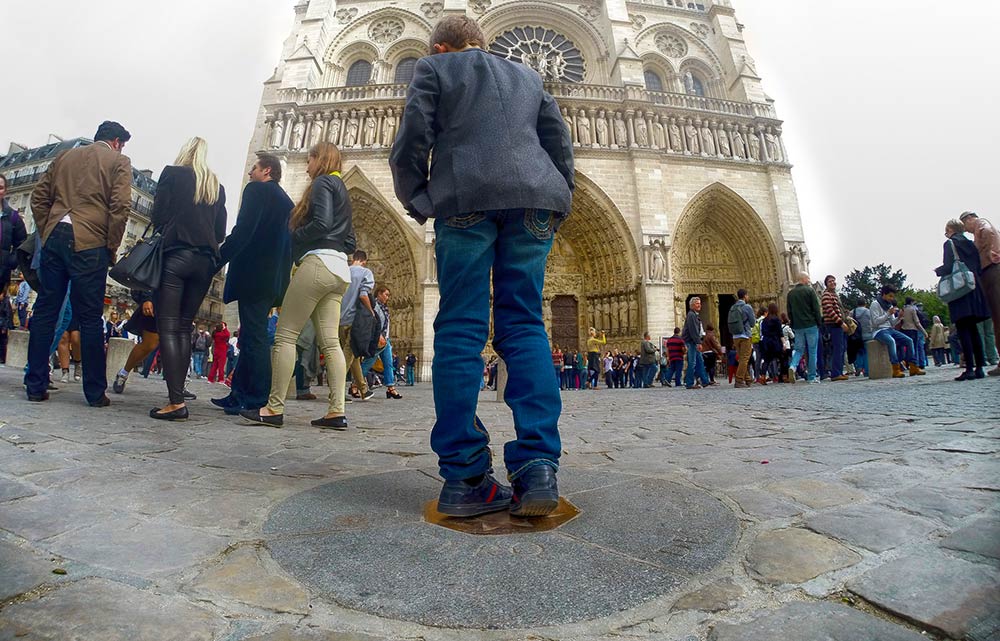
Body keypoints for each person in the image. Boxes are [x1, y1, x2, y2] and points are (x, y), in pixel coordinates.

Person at [390, 15, 574, 517]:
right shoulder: (529, 76)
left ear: (443, 46)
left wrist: (419, 199)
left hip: (465, 197)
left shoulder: (435, 68)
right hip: (535, 201)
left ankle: (466, 476)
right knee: (525, 325)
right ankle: (537, 465)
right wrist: (559, 197)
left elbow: (412, 140)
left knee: (460, 329)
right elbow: (559, 143)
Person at [241, 142, 356, 428]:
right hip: (341, 270)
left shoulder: (322, 184)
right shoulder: (343, 191)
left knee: (285, 336)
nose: (306, 166)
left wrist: (294, 237)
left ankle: (273, 408)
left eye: (309, 160)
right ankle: (336, 411)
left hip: (317, 264)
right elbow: (351, 241)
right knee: (331, 343)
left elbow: (321, 223)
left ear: (320, 160)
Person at [25, 121, 132, 405]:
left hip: (56, 235)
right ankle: (95, 392)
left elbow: (38, 197)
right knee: (89, 318)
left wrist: (47, 227)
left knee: (46, 310)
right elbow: (120, 206)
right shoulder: (119, 161)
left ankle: (35, 384)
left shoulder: (66, 156)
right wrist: (110, 244)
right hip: (91, 242)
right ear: (118, 142)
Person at [149, 138, 227, 420]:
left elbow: (158, 216)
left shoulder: (173, 173)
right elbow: (219, 232)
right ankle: (177, 394)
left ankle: (175, 401)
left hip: (177, 255)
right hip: (205, 264)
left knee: (168, 328)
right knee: (183, 328)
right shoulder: (216, 186)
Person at [212, 153, 293, 415]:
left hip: (254, 275)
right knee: (249, 335)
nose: (249, 173)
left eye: (254, 169)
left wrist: (218, 258)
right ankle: (238, 394)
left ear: (266, 170)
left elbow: (244, 230)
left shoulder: (256, 190)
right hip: (272, 280)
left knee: (255, 337)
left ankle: (257, 397)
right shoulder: (286, 201)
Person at [936, 219, 990, 381]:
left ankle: (969, 368)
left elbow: (948, 266)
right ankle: (980, 367)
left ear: (951, 229)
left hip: (960, 291)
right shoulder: (970, 243)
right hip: (974, 288)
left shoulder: (950, 244)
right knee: (974, 330)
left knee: (963, 329)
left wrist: (938, 271)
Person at [960, 211, 1000, 376]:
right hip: (991, 270)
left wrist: (990, 252)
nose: (967, 230)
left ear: (969, 219)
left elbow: (988, 232)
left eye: (965, 226)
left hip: (991, 270)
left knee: (998, 316)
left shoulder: (981, 225)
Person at [340, 250, 376, 401]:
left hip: (340, 320)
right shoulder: (366, 273)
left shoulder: (343, 271)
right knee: (346, 358)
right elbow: (363, 294)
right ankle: (336, 392)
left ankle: (363, 389)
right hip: (355, 322)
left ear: (353, 259)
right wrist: (371, 311)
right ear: (364, 261)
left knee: (352, 356)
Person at [361, 285, 403, 399]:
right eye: (386, 294)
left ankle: (391, 388)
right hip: (377, 339)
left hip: (386, 340)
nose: (387, 297)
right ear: (379, 293)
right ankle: (356, 383)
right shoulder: (374, 306)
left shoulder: (384, 307)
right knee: (369, 362)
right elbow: (373, 322)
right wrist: (378, 335)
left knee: (388, 364)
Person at [870, 285, 917, 379]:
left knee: (909, 341)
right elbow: (875, 322)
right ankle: (895, 368)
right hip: (879, 331)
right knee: (891, 341)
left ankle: (913, 366)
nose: (892, 298)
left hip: (889, 329)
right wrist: (888, 314)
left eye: (892, 296)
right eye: (890, 296)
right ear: (884, 294)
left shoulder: (889, 305)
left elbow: (892, 323)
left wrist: (899, 317)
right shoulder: (875, 304)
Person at [786, 272, 822, 384]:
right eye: (808, 278)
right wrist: (819, 322)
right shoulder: (809, 291)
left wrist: (793, 323)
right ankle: (811, 377)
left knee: (798, 350)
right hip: (811, 324)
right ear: (804, 279)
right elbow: (816, 308)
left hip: (798, 326)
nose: (809, 280)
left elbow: (789, 311)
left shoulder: (790, 294)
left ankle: (793, 366)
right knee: (812, 351)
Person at [820, 275, 850, 382]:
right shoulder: (826, 295)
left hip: (837, 324)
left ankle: (839, 372)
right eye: (830, 281)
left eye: (833, 281)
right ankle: (836, 373)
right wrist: (841, 323)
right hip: (834, 325)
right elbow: (830, 311)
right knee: (838, 348)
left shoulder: (833, 295)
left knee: (841, 348)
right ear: (826, 284)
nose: (832, 282)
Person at [1, 174, 28, 289]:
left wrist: (10, 262)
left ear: (5, 191)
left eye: (0, 187)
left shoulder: (13, 217)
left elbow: (22, 243)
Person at [728, 289, 755, 388]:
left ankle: (748, 379)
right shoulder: (747, 307)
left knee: (741, 359)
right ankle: (739, 380)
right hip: (745, 335)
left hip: (735, 336)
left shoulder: (733, 307)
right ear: (745, 296)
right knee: (744, 358)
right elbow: (752, 323)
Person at [682, 297, 711, 389]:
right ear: (691, 305)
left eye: (700, 303)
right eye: (697, 303)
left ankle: (705, 381)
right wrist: (698, 342)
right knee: (693, 363)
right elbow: (693, 330)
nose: (699, 305)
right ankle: (689, 383)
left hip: (694, 342)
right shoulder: (691, 315)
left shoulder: (695, 315)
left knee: (700, 362)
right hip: (691, 342)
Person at [900, 297, 929, 373]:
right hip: (912, 329)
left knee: (907, 348)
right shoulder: (912, 309)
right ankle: (915, 365)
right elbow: (917, 322)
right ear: (912, 302)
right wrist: (924, 332)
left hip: (904, 330)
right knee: (914, 348)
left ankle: (907, 363)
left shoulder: (903, 309)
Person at [760, 303, 784, 383]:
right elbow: (780, 333)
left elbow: (762, 331)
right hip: (775, 341)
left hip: (766, 341)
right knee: (782, 358)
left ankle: (763, 376)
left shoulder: (764, 320)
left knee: (767, 360)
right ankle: (783, 376)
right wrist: (783, 343)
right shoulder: (776, 319)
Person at [0, 288, 12, 363]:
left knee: (2, 342)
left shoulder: (6, 302)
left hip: (2, 324)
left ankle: (2, 357)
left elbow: (8, 315)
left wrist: (5, 327)